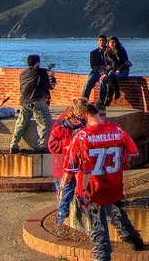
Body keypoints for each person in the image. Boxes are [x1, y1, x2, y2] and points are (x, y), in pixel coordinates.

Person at [67, 102, 144, 257]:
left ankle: (102, 257)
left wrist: (79, 189)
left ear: (84, 116)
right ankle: (135, 242)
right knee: (118, 217)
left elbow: (76, 168)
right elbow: (133, 153)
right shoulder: (118, 130)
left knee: (98, 229)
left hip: (93, 189)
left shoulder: (82, 137)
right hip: (114, 184)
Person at [48, 98, 88, 229]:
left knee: (80, 195)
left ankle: (76, 223)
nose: (80, 120)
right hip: (62, 166)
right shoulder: (61, 126)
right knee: (64, 195)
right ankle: (61, 223)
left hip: (79, 166)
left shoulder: (85, 124)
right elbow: (52, 145)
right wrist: (69, 146)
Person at [8, 54, 54, 154]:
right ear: (37, 62)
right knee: (46, 123)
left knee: (21, 123)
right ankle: (41, 145)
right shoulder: (41, 72)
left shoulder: (23, 74)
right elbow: (50, 87)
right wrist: (51, 77)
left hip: (24, 101)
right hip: (36, 101)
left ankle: (13, 144)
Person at [100, 36, 132, 107]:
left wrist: (117, 54)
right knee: (110, 76)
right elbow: (107, 65)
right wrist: (105, 73)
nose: (112, 44)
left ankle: (110, 97)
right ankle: (114, 94)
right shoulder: (107, 53)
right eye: (110, 42)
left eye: (113, 42)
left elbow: (124, 62)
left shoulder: (121, 50)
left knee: (111, 78)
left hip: (123, 70)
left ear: (116, 43)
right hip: (113, 72)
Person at [82, 35, 110, 103]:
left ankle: (101, 101)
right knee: (88, 82)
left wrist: (105, 70)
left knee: (102, 82)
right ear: (97, 42)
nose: (101, 42)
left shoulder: (109, 52)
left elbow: (111, 64)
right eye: (100, 40)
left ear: (106, 42)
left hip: (105, 72)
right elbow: (93, 66)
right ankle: (84, 101)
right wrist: (103, 67)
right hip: (96, 72)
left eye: (103, 41)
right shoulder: (93, 53)